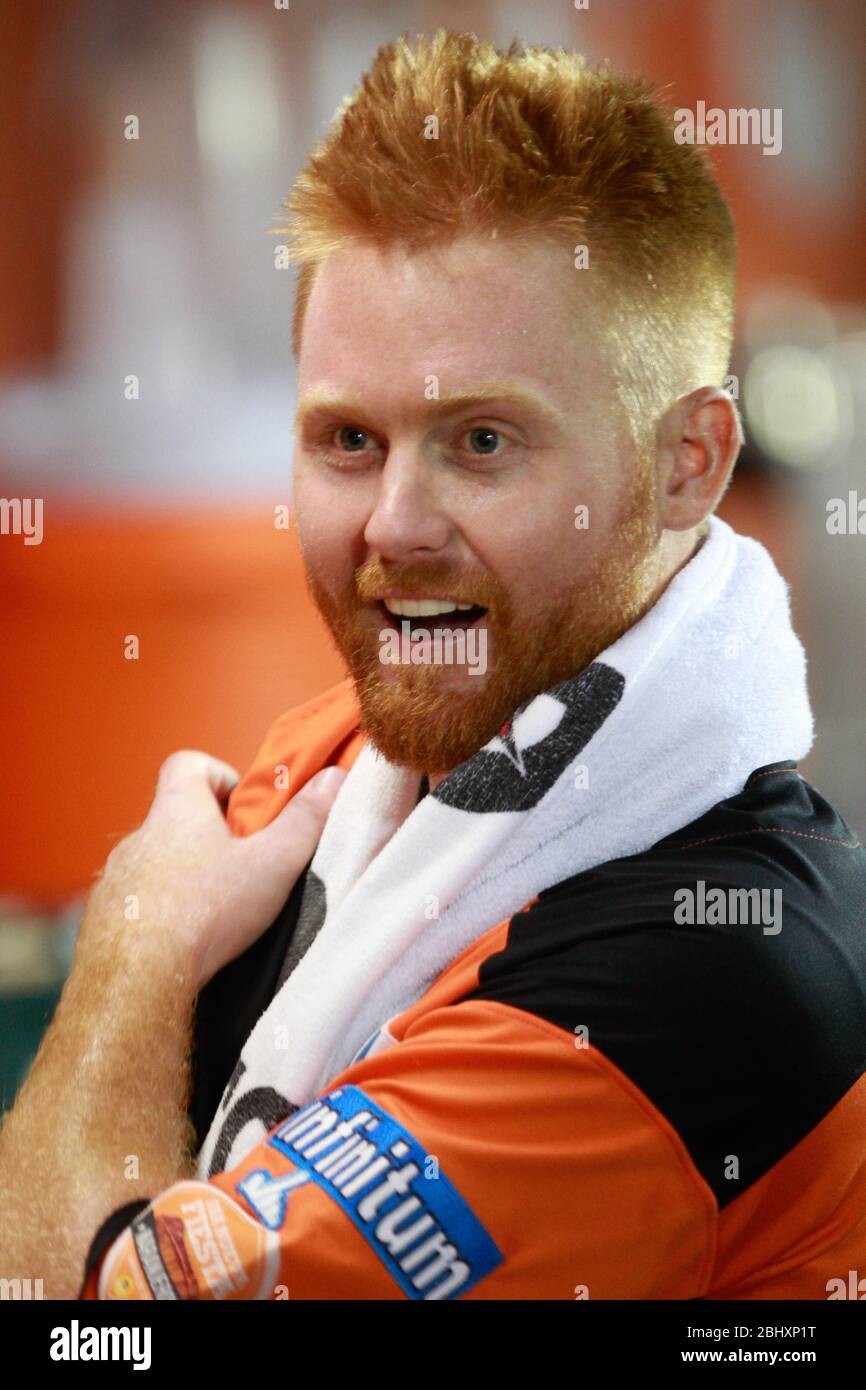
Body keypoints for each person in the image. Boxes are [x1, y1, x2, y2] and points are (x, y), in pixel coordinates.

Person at [1, 30, 864, 1302]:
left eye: (479, 440)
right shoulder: (356, 754)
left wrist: (131, 947)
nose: (393, 526)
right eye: (347, 438)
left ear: (687, 461)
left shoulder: (697, 978)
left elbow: (93, 1331)